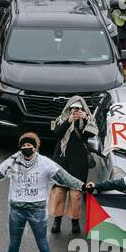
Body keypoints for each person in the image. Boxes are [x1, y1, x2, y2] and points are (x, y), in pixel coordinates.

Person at [49, 96, 94, 235]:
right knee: (59, 192)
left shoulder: (88, 120)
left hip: (79, 161)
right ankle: (57, 221)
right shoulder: (61, 118)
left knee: (76, 194)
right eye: (74, 108)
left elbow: (90, 134)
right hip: (62, 160)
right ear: (69, 108)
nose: (76, 111)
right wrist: (68, 121)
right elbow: (56, 133)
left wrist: (86, 119)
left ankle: (75, 221)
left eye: (79, 109)